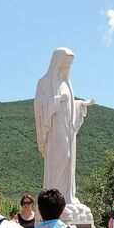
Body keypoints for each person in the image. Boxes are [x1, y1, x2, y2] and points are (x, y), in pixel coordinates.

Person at [34, 47, 94, 204]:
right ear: (57, 62)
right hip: (55, 127)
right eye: (65, 64)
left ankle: (67, 196)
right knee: (62, 156)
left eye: (70, 65)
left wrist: (80, 104)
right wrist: (57, 99)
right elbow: (39, 104)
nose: (68, 68)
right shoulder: (45, 82)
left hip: (68, 125)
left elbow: (69, 104)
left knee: (69, 159)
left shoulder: (67, 82)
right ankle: (53, 195)